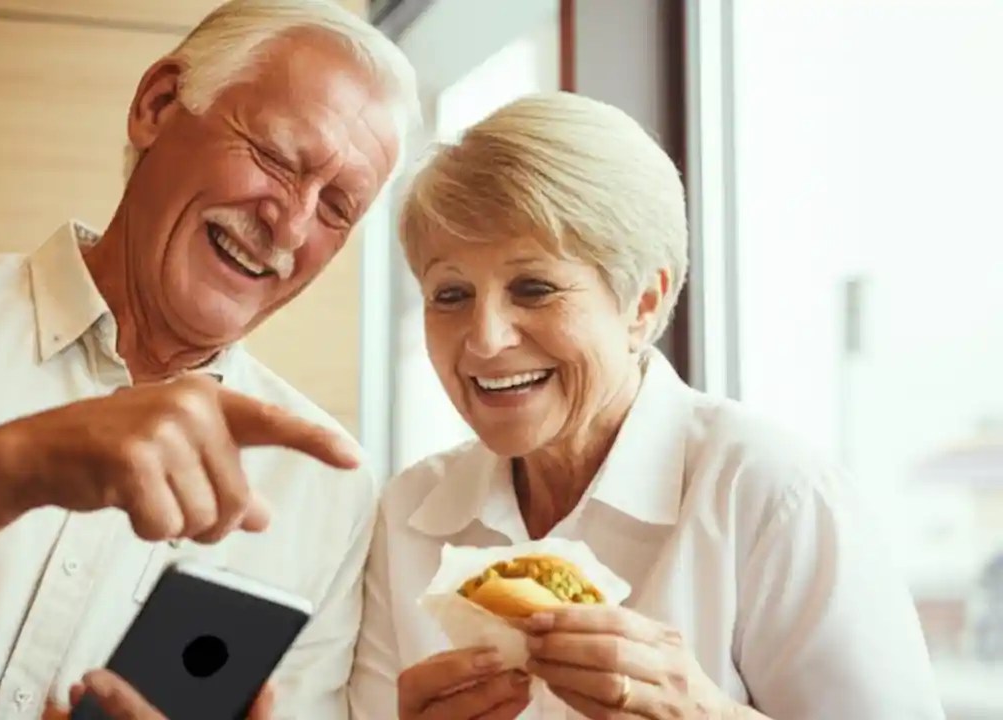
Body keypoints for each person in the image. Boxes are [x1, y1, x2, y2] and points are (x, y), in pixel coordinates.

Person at [0, 1, 418, 718]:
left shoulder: (329, 490)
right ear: (156, 105)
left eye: (337, 207)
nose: (291, 224)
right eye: (274, 155)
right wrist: (15, 465)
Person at [348, 92, 945, 719]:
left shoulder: (769, 492)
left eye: (535, 287)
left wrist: (705, 714)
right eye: (451, 294)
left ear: (644, 305)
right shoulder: (407, 516)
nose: (486, 338)